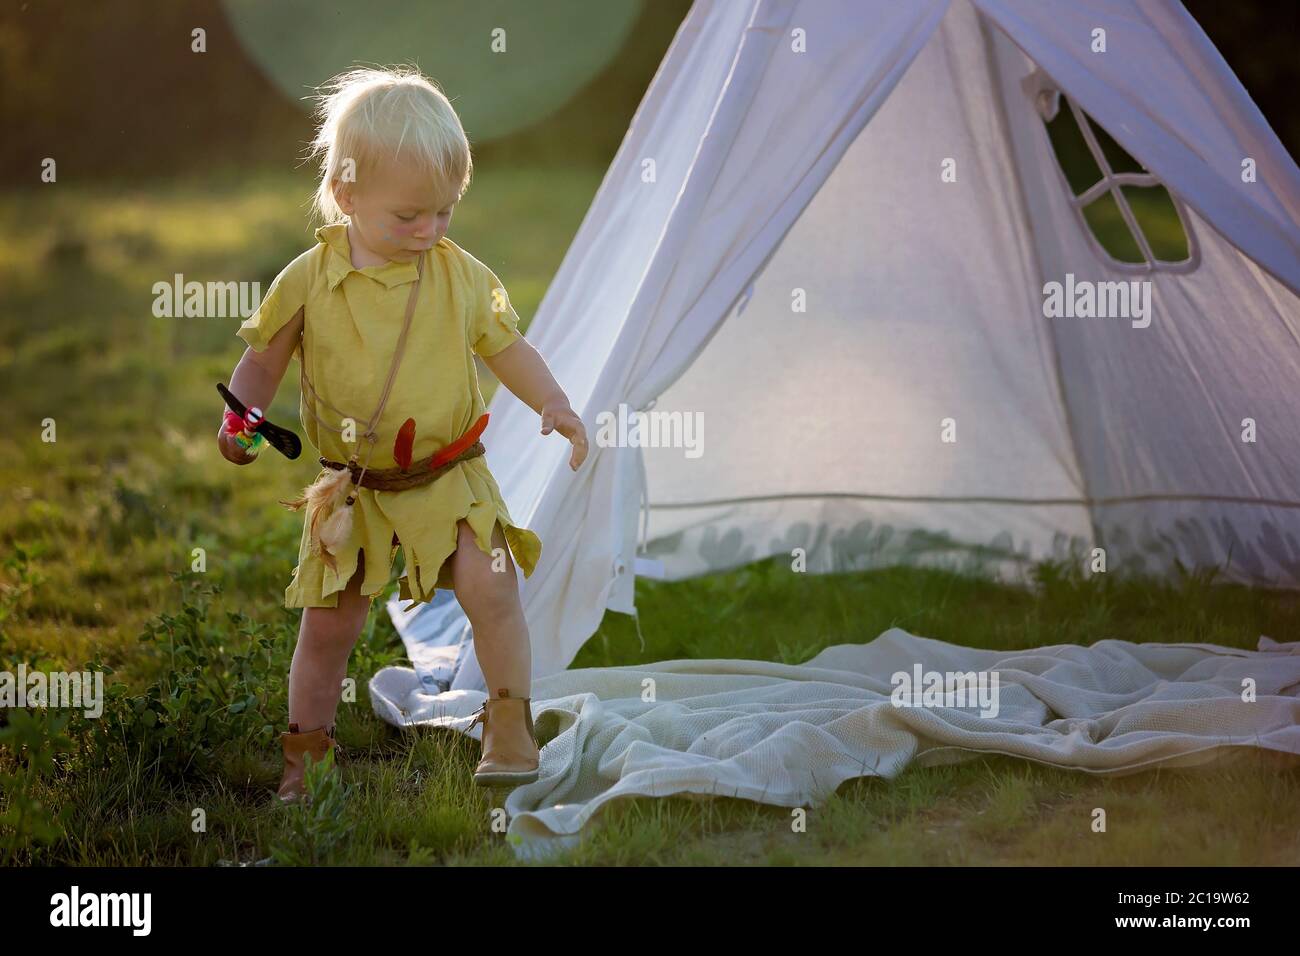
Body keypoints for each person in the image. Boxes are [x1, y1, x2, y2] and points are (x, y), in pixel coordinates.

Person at [217, 65, 588, 801]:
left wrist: (552, 400)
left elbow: (508, 346)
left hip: (452, 479)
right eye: (409, 216)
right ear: (348, 195)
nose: (430, 232)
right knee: (329, 629)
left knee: (494, 586)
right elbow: (261, 359)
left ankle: (509, 725)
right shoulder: (308, 278)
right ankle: (307, 758)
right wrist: (242, 421)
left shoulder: (459, 275)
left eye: (445, 213)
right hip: (355, 493)